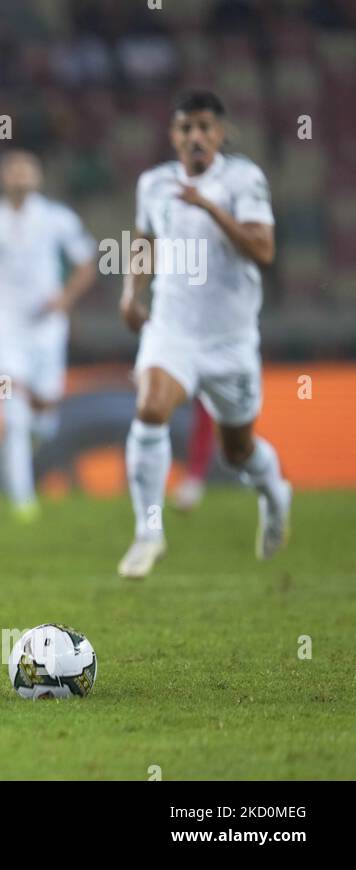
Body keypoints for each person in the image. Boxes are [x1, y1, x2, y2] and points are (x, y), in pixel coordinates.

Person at [118, 90, 290, 579]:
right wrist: (132, 293)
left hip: (230, 339)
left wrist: (210, 207)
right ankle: (148, 534)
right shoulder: (153, 183)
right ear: (173, 135)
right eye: (185, 128)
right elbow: (145, 241)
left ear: (221, 133)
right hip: (172, 329)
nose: (195, 136)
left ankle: (275, 491)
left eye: (204, 128)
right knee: (150, 408)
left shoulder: (243, 179)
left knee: (237, 450)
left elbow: (264, 249)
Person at [0, 150, 96, 522]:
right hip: (1, 328)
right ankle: (23, 501)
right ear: (1, 177)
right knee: (12, 410)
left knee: (42, 418)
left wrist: (65, 298)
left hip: (44, 331)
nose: (20, 175)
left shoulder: (57, 219)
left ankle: (12, 452)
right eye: (13, 169)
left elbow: (87, 263)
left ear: (38, 176)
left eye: (27, 168)